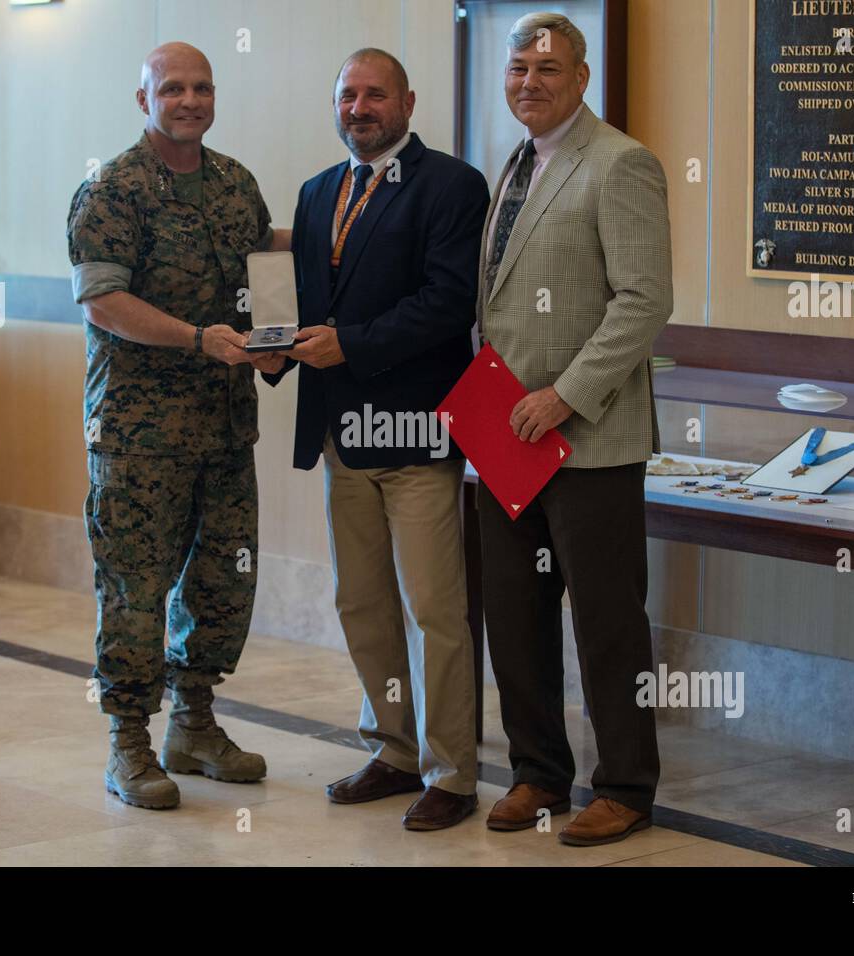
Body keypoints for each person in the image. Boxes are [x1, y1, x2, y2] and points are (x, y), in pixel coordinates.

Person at [263, 48, 489, 831]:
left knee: (435, 608)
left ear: (408, 102)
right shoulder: (319, 191)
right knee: (361, 602)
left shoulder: (451, 185)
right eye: (348, 95)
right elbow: (301, 304)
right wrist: (272, 346)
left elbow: (447, 303)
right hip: (339, 434)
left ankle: (453, 772)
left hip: (418, 432)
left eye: (375, 95)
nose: (360, 107)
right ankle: (393, 751)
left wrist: (350, 344)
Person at [66, 42, 288, 810]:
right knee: (135, 588)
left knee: (223, 582)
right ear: (144, 100)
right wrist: (197, 338)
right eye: (171, 89)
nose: (188, 100)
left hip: (226, 428)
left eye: (201, 87)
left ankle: (193, 725)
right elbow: (103, 301)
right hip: (139, 434)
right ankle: (128, 742)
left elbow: (266, 280)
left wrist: (278, 345)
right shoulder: (113, 187)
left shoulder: (235, 185)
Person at [476, 12, 674, 845]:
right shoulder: (513, 163)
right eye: (519, 66)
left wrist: (566, 394)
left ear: (581, 77)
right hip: (501, 431)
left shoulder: (620, 162)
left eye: (548, 69)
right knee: (515, 617)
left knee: (606, 623)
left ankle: (624, 785)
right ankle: (537, 774)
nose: (530, 81)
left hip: (586, 435)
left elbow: (644, 300)